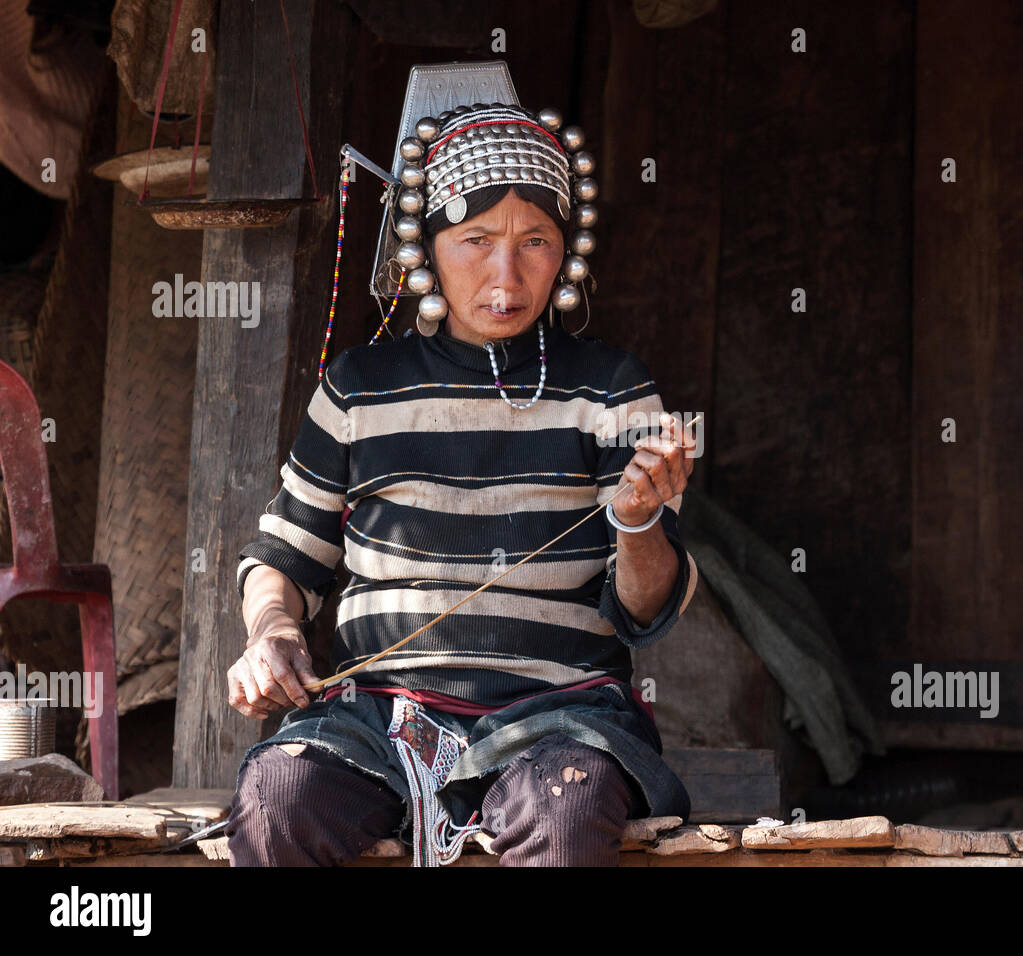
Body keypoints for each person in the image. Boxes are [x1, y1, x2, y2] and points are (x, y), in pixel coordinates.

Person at [222, 99, 698, 867]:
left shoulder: (610, 389)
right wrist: (270, 632)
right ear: (427, 246)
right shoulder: (359, 389)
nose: (506, 275)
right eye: (476, 239)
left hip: (558, 720)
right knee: (280, 799)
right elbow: (283, 556)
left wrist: (639, 522)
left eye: (535, 241)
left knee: (567, 804)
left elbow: (643, 609)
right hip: (377, 719)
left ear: (566, 252)